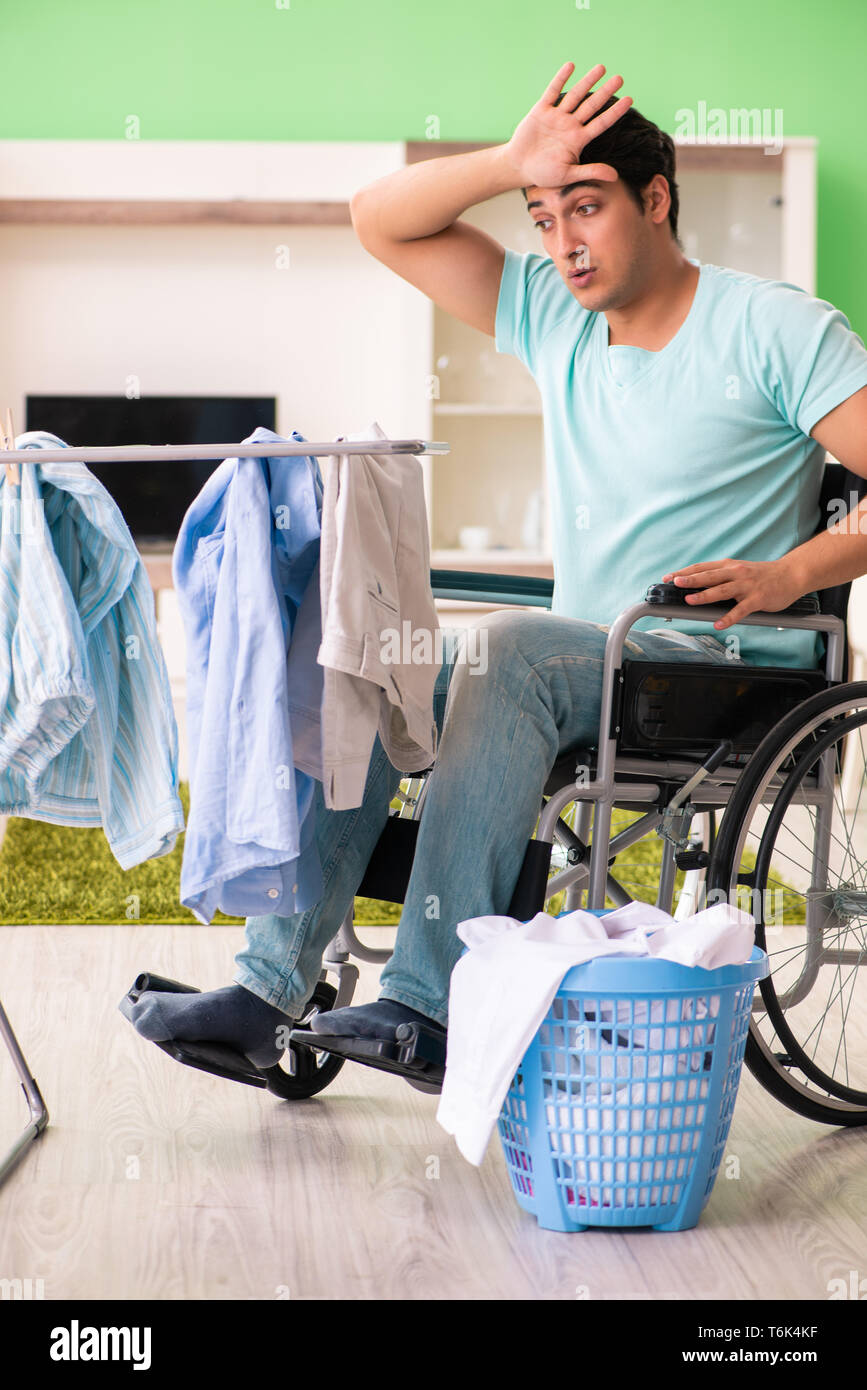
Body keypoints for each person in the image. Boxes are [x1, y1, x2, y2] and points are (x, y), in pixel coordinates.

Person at [121, 61, 867, 1076]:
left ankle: (427, 1004)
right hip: (591, 662)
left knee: (498, 649)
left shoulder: (774, 327)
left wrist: (792, 574)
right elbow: (379, 219)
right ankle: (271, 984)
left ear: (655, 201)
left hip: (719, 668)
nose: (563, 241)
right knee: (375, 651)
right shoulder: (555, 316)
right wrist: (513, 158)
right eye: (542, 214)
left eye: (588, 208)